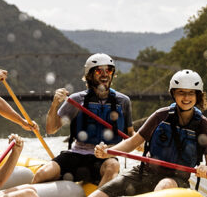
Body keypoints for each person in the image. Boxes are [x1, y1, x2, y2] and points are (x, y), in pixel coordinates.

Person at [88, 69, 207, 197]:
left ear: (197, 96)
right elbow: (133, 142)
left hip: (176, 181)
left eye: (191, 93)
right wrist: (109, 152)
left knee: (164, 185)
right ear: (174, 94)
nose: (186, 98)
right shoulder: (161, 116)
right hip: (144, 173)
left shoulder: (203, 125)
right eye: (181, 92)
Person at [31, 53, 133, 188]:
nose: (104, 74)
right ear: (90, 75)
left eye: (108, 70)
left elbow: (131, 135)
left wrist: (140, 143)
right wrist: (55, 104)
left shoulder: (123, 101)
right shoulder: (76, 100)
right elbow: (51, 129)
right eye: (99, 71)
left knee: (113, 165)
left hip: (104, 158)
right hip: (77, 155)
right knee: (41, 174)